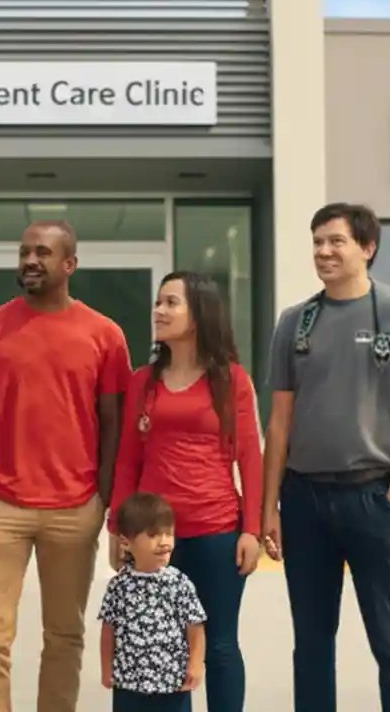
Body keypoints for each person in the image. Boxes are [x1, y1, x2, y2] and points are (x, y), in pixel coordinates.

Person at [261, 202, 390, 712]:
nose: (323, 251)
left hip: (372, 498)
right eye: (317, 241)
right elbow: (279, 423)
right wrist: (269, 506)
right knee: (312, 645)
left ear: (367, 248)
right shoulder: (295, 322)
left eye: (336, 241)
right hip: (304, 501)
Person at [0, 219, 132, 712]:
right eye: (24, 252)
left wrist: (102, 495)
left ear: (69, 264)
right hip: (3, 506)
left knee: (64, 635)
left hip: (75, 508)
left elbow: (113, 421)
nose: (30, 261)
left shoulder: (105, 335)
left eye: (43, 253)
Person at [107, 270, 263, 712]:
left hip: (215, 533)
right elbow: (127, 461)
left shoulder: (232, 380)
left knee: (218, 646)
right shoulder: (142, 381)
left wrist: (250, 529)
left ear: (199, 314)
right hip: (151, 538)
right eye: (158, 302)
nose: (159, 310)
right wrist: (118, 527)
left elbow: (250, 460)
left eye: (171, 303)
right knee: (157, 644)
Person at [100, 492, 207, 712]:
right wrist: (106, 668)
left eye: (168, 534)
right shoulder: (119, 586)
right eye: (153, 535)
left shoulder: (179, 583)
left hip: (172, 682)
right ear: (125, 542)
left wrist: (195, 664)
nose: (164, 542)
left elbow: (195, 627)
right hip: (129, 682)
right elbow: (108, 630)